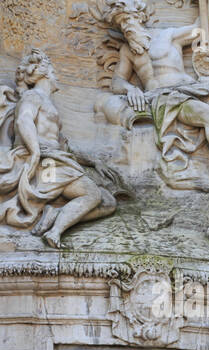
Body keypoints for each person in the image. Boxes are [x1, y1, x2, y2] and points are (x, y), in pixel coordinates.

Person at [102, 0, 209, 186]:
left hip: (192, 88)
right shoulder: (128, 50)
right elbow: (117, 81)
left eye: (127, 20)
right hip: (166, 97)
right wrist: (130, 88)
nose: (125, 27)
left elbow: (201, 28)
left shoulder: (167, 36)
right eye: (120, 24)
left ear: (139, 17)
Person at [0, 50, 122, 248]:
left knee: (108, 202)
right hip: (47, 163)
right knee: (92, 195)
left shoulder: (49, 105)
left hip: (57, 159)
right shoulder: (33, 96)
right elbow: (24, 120)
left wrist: (94, 162)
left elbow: (66, 146)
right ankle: (55, 231)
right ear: (46, 73)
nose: (57, 79)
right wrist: (35, 151)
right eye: (55, 73)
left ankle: (55, 213)